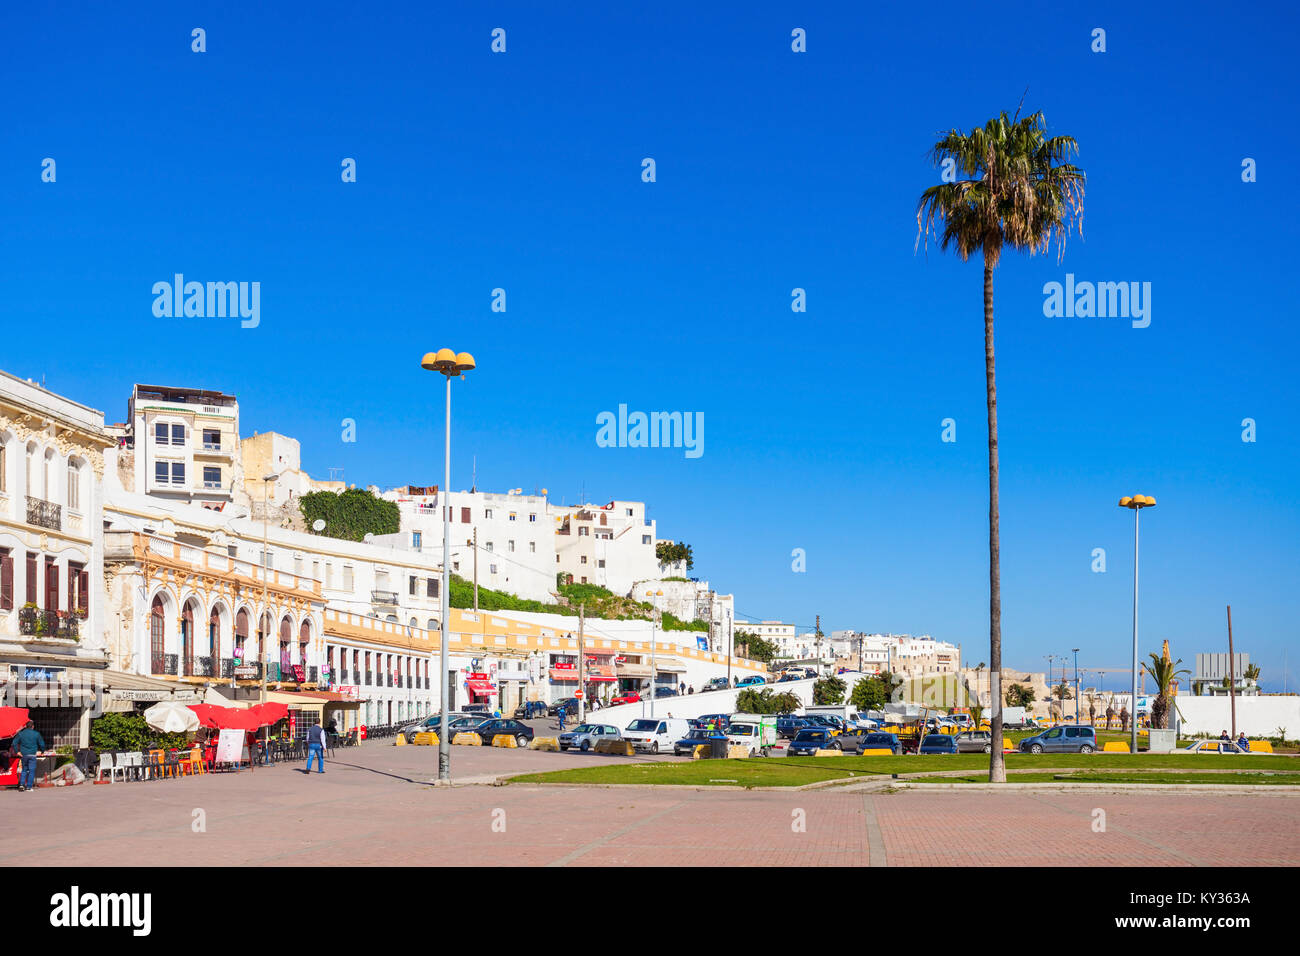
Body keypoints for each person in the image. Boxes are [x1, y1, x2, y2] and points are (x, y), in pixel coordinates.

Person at [13, 720, 48, 792]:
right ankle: (29, 787)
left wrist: (17, 752)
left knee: (24, 770)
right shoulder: (36, 734)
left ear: (25, 726)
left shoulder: (20, 733)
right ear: (33, 727)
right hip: (32, 754)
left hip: (24, 754)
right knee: (31, 771)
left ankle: (22, 785)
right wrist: (42, 751)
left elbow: (14, 743)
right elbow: (42, 744)